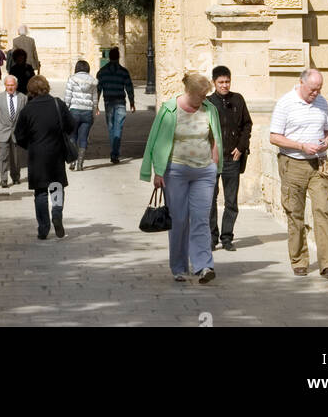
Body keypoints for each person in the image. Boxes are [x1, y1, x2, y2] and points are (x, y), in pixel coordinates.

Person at [140, 70, 223, 283]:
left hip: (204, 172)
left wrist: (215, 163)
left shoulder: (209, 109)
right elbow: (155, 140)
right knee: (178, 220)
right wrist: (156, 172)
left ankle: (204, 266)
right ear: (190, 92)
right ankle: (179, 267)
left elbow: (215, 137)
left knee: (200, 219)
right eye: (201, 96)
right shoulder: (170, 109)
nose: (204, 99)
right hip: (175, 171)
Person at [269, 68, 328, 279]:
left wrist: (325, 143)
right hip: (293, 164)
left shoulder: (322, 102)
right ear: (301, 83)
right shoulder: (285, 103)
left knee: (323, 210)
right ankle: (299, 260)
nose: (315, 93)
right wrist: (301, 146)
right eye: (312, 89)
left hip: (318, 164)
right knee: (295, 213)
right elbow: (274, 137)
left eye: (319, 89)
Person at [12, 75, 74, 240]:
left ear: (31, 91)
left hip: (37, 155)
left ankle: (43, 228)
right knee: (56, 186)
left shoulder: (28, 110)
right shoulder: (57, 104)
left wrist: (31, 145)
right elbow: (71, 125)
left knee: (40, 192)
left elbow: (18, 135)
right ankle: (56, 213)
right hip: (56, 153)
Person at [206, 65, 253, 252]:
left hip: (232, 159)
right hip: (212, 160)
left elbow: (247, 125)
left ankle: (227, 237)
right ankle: (211, 236)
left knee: (231, 201)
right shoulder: (208, 103)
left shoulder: (238, 99)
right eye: (221, 82)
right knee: (210, 199)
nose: (224, 85)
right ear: (214, 83)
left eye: (227, 82)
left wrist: (241, 147)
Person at [96, 46, 135, 163]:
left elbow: (98, 89)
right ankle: (115, 154)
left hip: (108, 102)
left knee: (111, 127)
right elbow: (129, 88)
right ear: (118, 57)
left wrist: (96, 104)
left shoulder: (102, 72)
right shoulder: (124, 72)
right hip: (120, 102)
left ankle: (114, 152)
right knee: (119, 128)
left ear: (108, 57)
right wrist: (132, 102)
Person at [63, 59, 98, 170]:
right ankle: (80, 163)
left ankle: (73, 161)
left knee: (72, 136)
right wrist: (95, 108)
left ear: (76, 68)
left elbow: (68, 96)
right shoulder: (93, 81)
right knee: (83, 138)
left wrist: (65, 108)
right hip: (87, 111)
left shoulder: (72, 79)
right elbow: (95, 98)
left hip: (74, 111)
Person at [0, 74, 27, 187]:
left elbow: (24, 116)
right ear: (5, 85)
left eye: (12, 85)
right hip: (3, 131)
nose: (10, 87)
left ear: (16, 85)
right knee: (3, 156)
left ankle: (16, 177)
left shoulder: (23, 98)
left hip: (16, 132)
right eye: (8, 85)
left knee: (16, 157)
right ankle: (3, 179)